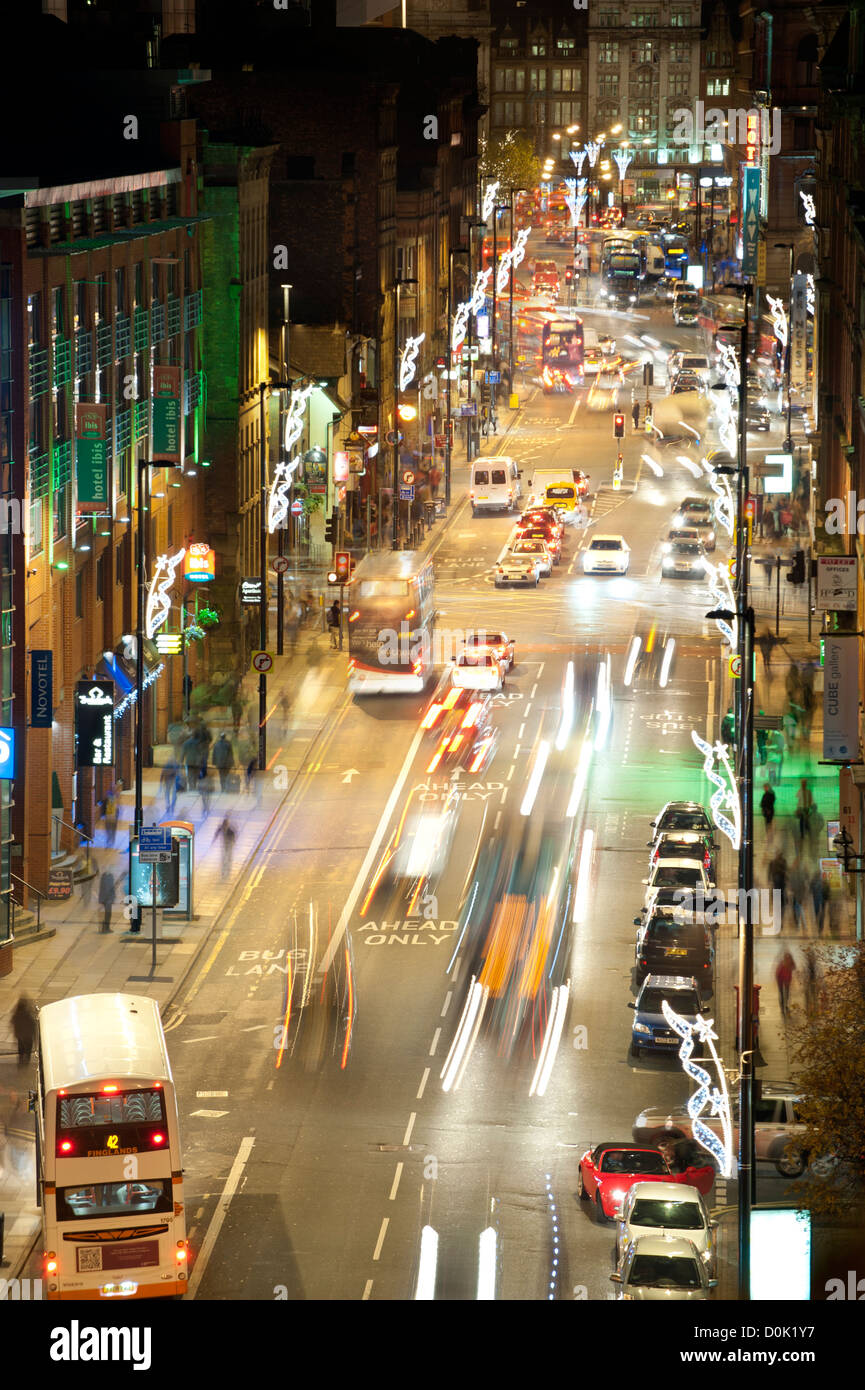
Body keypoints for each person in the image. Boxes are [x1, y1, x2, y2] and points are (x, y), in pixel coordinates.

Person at [10, 995, 37, 1066]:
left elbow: (12, 1022)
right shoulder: (28, 1014)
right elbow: (33, 1024)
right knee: (28, 1050)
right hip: (27, 1036)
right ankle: (26, 1063)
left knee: (21, 1049)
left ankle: (20, 1062)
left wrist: (15, 1034)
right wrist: (34, 1035)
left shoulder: (16, 1014)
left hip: (20, 1036)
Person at [775, 949, 796, 1019]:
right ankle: (783, 1007)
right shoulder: (782, 964)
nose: (788, 959)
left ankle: (785, 1005)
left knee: (786, 993)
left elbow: (794, 967)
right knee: (781, 993)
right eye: (786, 957)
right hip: (780, 980)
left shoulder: (790, 963)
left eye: (789, 957)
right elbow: (778, 974)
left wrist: (790, 967)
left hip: (787, 980)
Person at [97, 868, 116, 934]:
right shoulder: (108, 877)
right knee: (108, 914)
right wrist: (111, 898)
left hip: (105, 898)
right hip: (107, 899)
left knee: (107, 914)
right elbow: (109, 888)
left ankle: (105, 928)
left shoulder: (105, 876)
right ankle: (105, 928)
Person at [796, 779, 814, 843]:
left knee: (806, 821)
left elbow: (810, 800)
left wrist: (810, 807)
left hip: (806, 808)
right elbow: (798, 799)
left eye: (804, 783)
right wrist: (797, 808)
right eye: (802, 783)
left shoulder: (808, 791)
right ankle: (802, 834)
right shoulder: (800, 791)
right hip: (801, 808)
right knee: (801, 821)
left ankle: (807, 831)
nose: (803, 784)